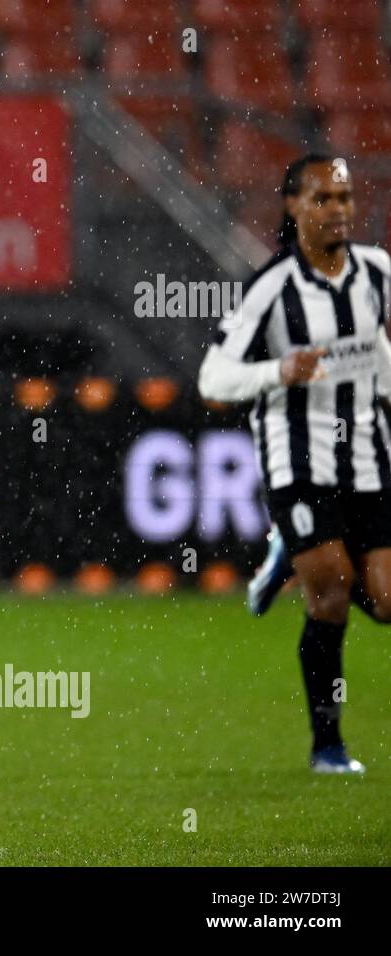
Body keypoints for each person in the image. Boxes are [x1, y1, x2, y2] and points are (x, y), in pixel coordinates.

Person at [198, 154, 391, 774]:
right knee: (331, 589)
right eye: (322, 198)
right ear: (292, 206)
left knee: (386, 602)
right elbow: (213, 379)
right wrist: (277, 370)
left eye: (345, 197)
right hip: (299, 459)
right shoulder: (272, 287)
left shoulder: (379, 273)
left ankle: (292, 548)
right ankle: (328, 747)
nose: (337, 210)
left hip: (369, 458)